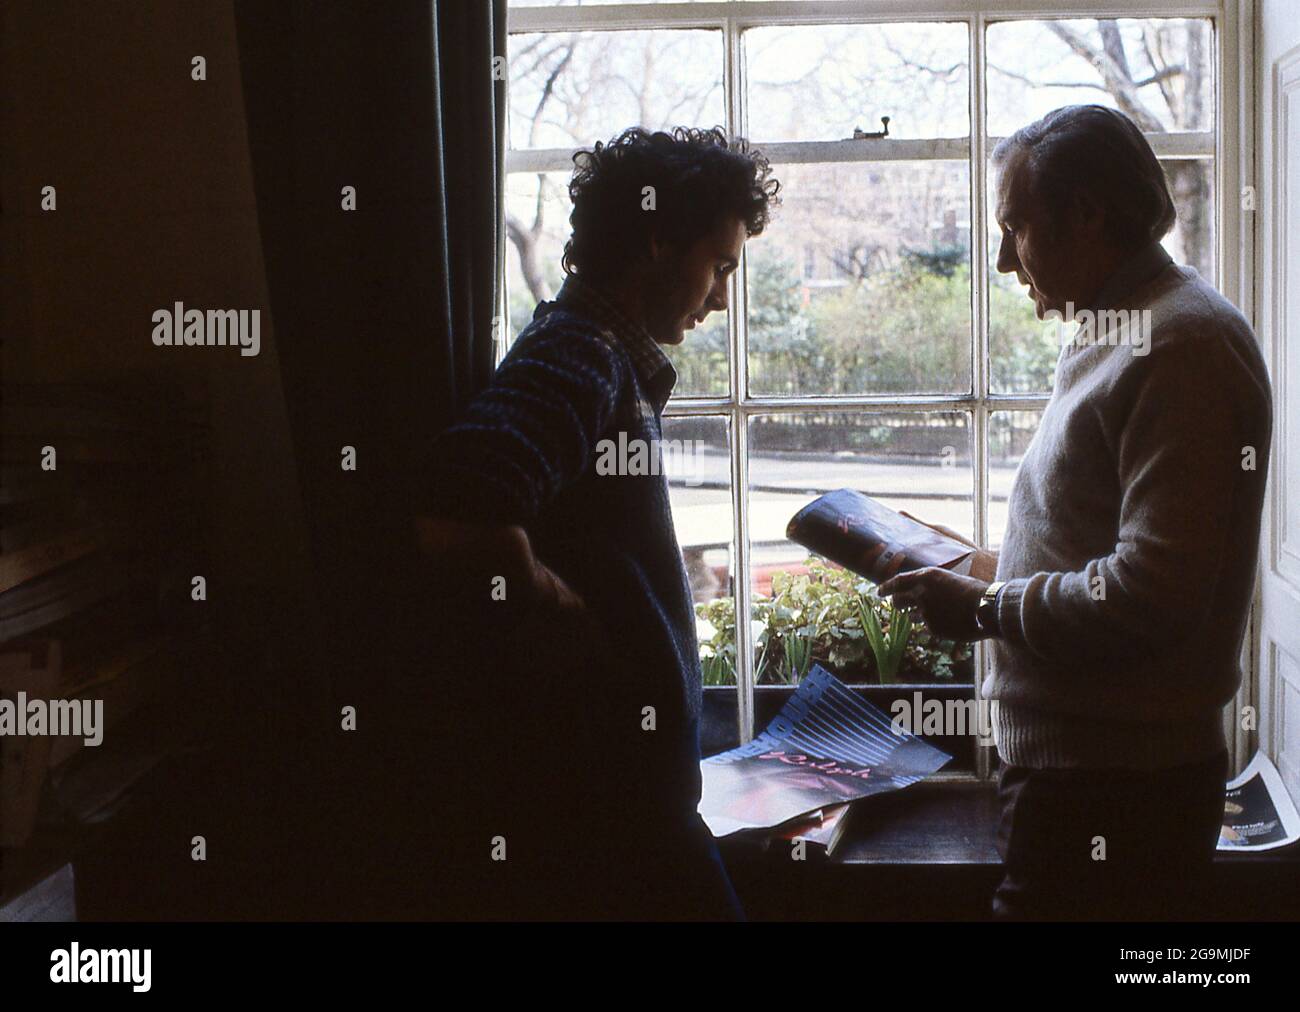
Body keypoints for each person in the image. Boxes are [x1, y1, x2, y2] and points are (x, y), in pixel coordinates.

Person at [878, 105, 1272, 920]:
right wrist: (981, 568)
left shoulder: (1181, 346)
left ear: (1087, 215)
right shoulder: (1127, 330)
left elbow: (1151, 597)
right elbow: (1100, 551)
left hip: (1115, 794)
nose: (1001, 259)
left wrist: (985, 607)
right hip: (1090, 780)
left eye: (1014, 226)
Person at [416, 126, 779, 920]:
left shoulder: (597, 355)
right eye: (719, 267)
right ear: (657, 244)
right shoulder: (579, 353)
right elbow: (453, 516)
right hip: (611, 816)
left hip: (630, 802)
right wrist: (571, 619)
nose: (722, 297)